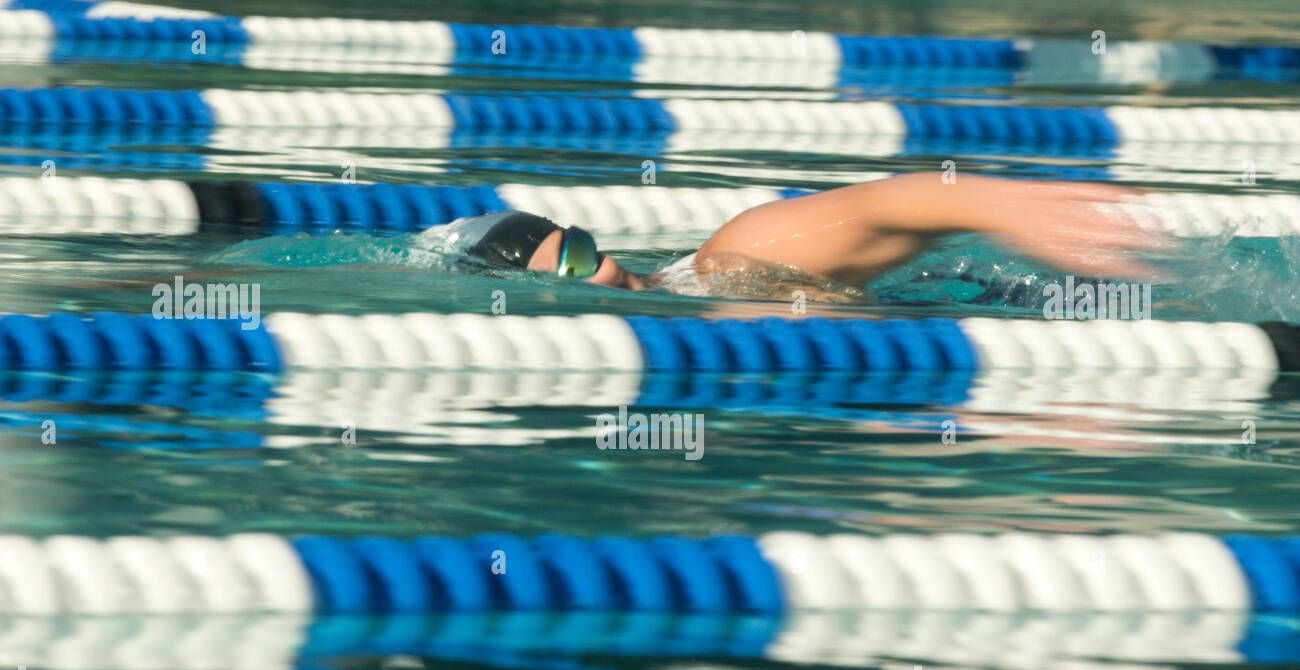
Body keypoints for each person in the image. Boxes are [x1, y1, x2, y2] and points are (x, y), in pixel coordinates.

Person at [445, 173, 1165, 300]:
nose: (597, 274)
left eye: (579, 251)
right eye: (567, 275)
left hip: (1023, 302)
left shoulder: (730, 257)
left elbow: (891, 204)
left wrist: (1005, 206)